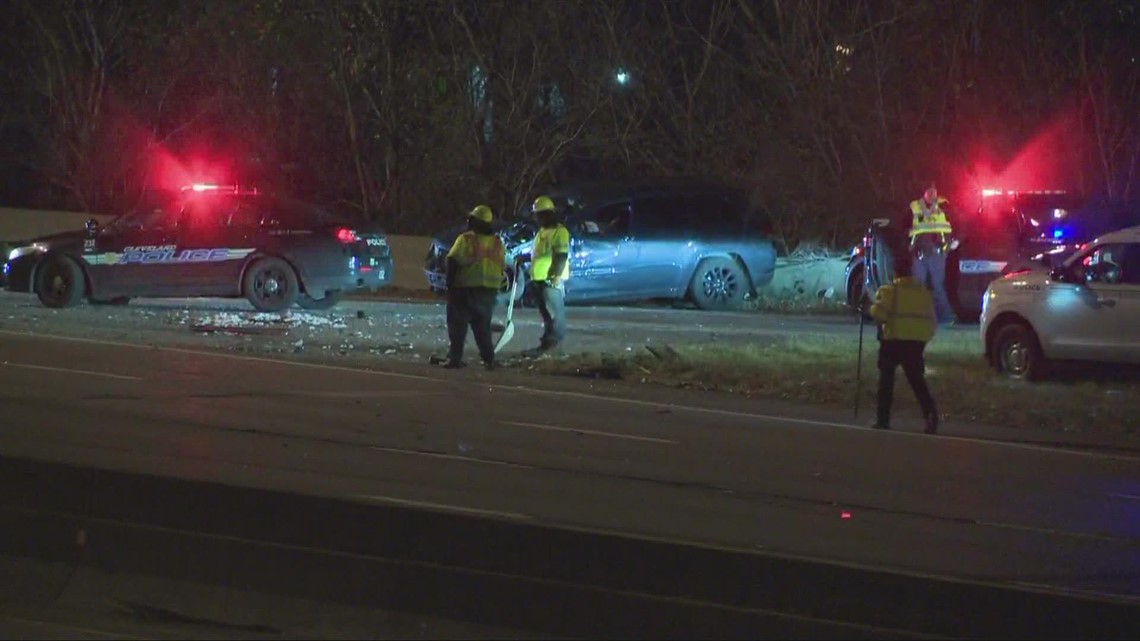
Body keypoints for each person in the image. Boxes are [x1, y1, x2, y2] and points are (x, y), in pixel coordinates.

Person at [867, 247, 940, 434]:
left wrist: (869, 307)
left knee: (886, 381)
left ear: (895, 272)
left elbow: (879, 314)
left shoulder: (890, 291)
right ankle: (930, 414)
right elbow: (932, 319)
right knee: (917, 381)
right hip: (916, 342)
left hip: (893, 340)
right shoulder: (923, 293)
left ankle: (883, 419)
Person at [443, 205, 506, 370]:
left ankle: (455, 359)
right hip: (488, 291)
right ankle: (489, 360)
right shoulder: (497, 243)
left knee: (458, 325)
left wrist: (449, 286)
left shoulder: (466, 239)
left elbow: (452, 261)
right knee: (483, 328)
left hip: (465, 289)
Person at [519, 195, 571, 357]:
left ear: (546, 214)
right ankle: (547, 346)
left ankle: (552, 349)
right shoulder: (542, 232)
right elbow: (539, 254)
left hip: (550, 281)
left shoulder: (559, 232)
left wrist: (555, 276)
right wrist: (524, 258)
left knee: (554, 316)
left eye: (538, 215)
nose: (536, 218)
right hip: (540, 279)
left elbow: (561, 255)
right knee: (548, 315)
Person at [908, 183, 958, 326]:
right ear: (923, 193)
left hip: (937, 252)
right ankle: (920, 317)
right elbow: (906, 226)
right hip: (920, 252)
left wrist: (956, 241)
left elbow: (957, 223)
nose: (931, 194)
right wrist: (910, 245)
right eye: (928, 191)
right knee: (918, 286)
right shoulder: (914, 206)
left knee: (937, 286)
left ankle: (946, 317)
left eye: (933, 192)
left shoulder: (944, 205)